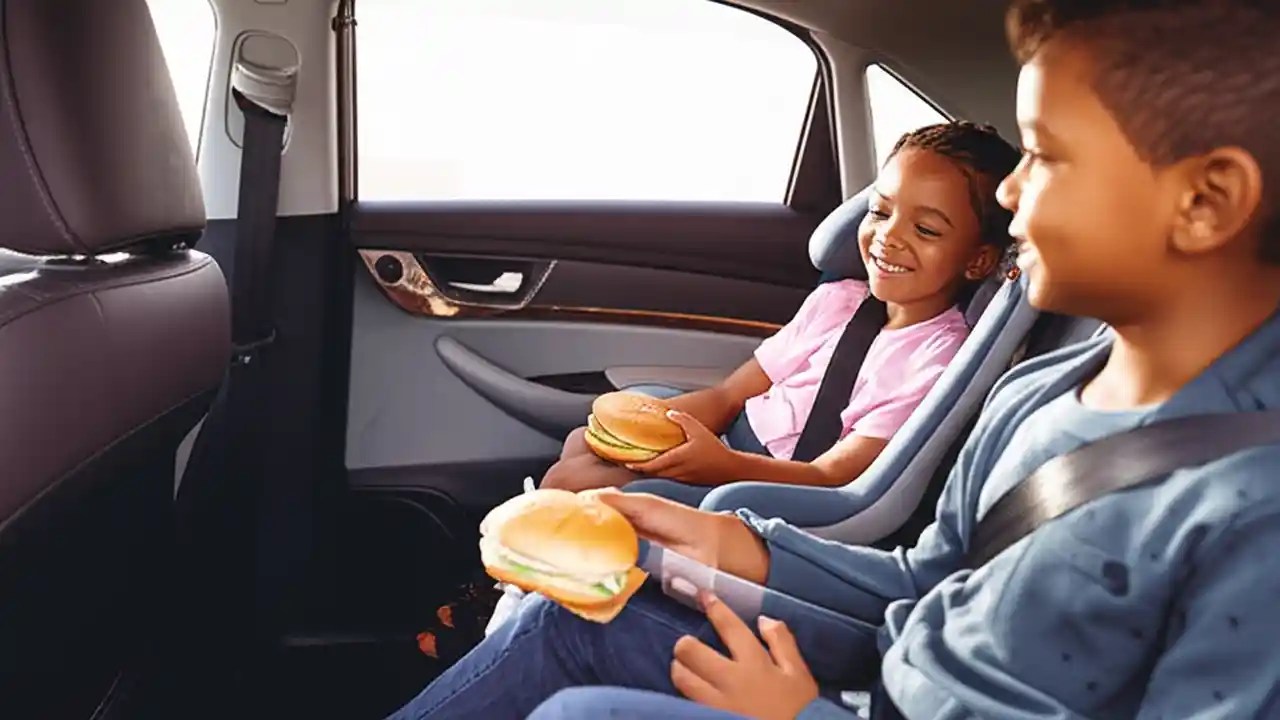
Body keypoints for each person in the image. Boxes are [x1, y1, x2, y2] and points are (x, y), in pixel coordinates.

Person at [388, 0, 1280, 717]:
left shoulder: (1251, 514)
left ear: (1206, 202)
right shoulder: (1049, 387)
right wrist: (732, 542)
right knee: (562, 618)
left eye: (1044, 158)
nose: (1013, 193)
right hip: (885, 666)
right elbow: (928, 577)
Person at [541, 121, 1020, 494]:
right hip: (730, 449)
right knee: (582, 443)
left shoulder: (935, 359)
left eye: (927, 230)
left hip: (772, 489)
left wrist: (722, 469)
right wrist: (658, 430)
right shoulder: (839, 301)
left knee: (572, 485)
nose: (889, 236)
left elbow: (834, 477)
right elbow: (730, 396)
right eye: (880, 211)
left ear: (978, 260)